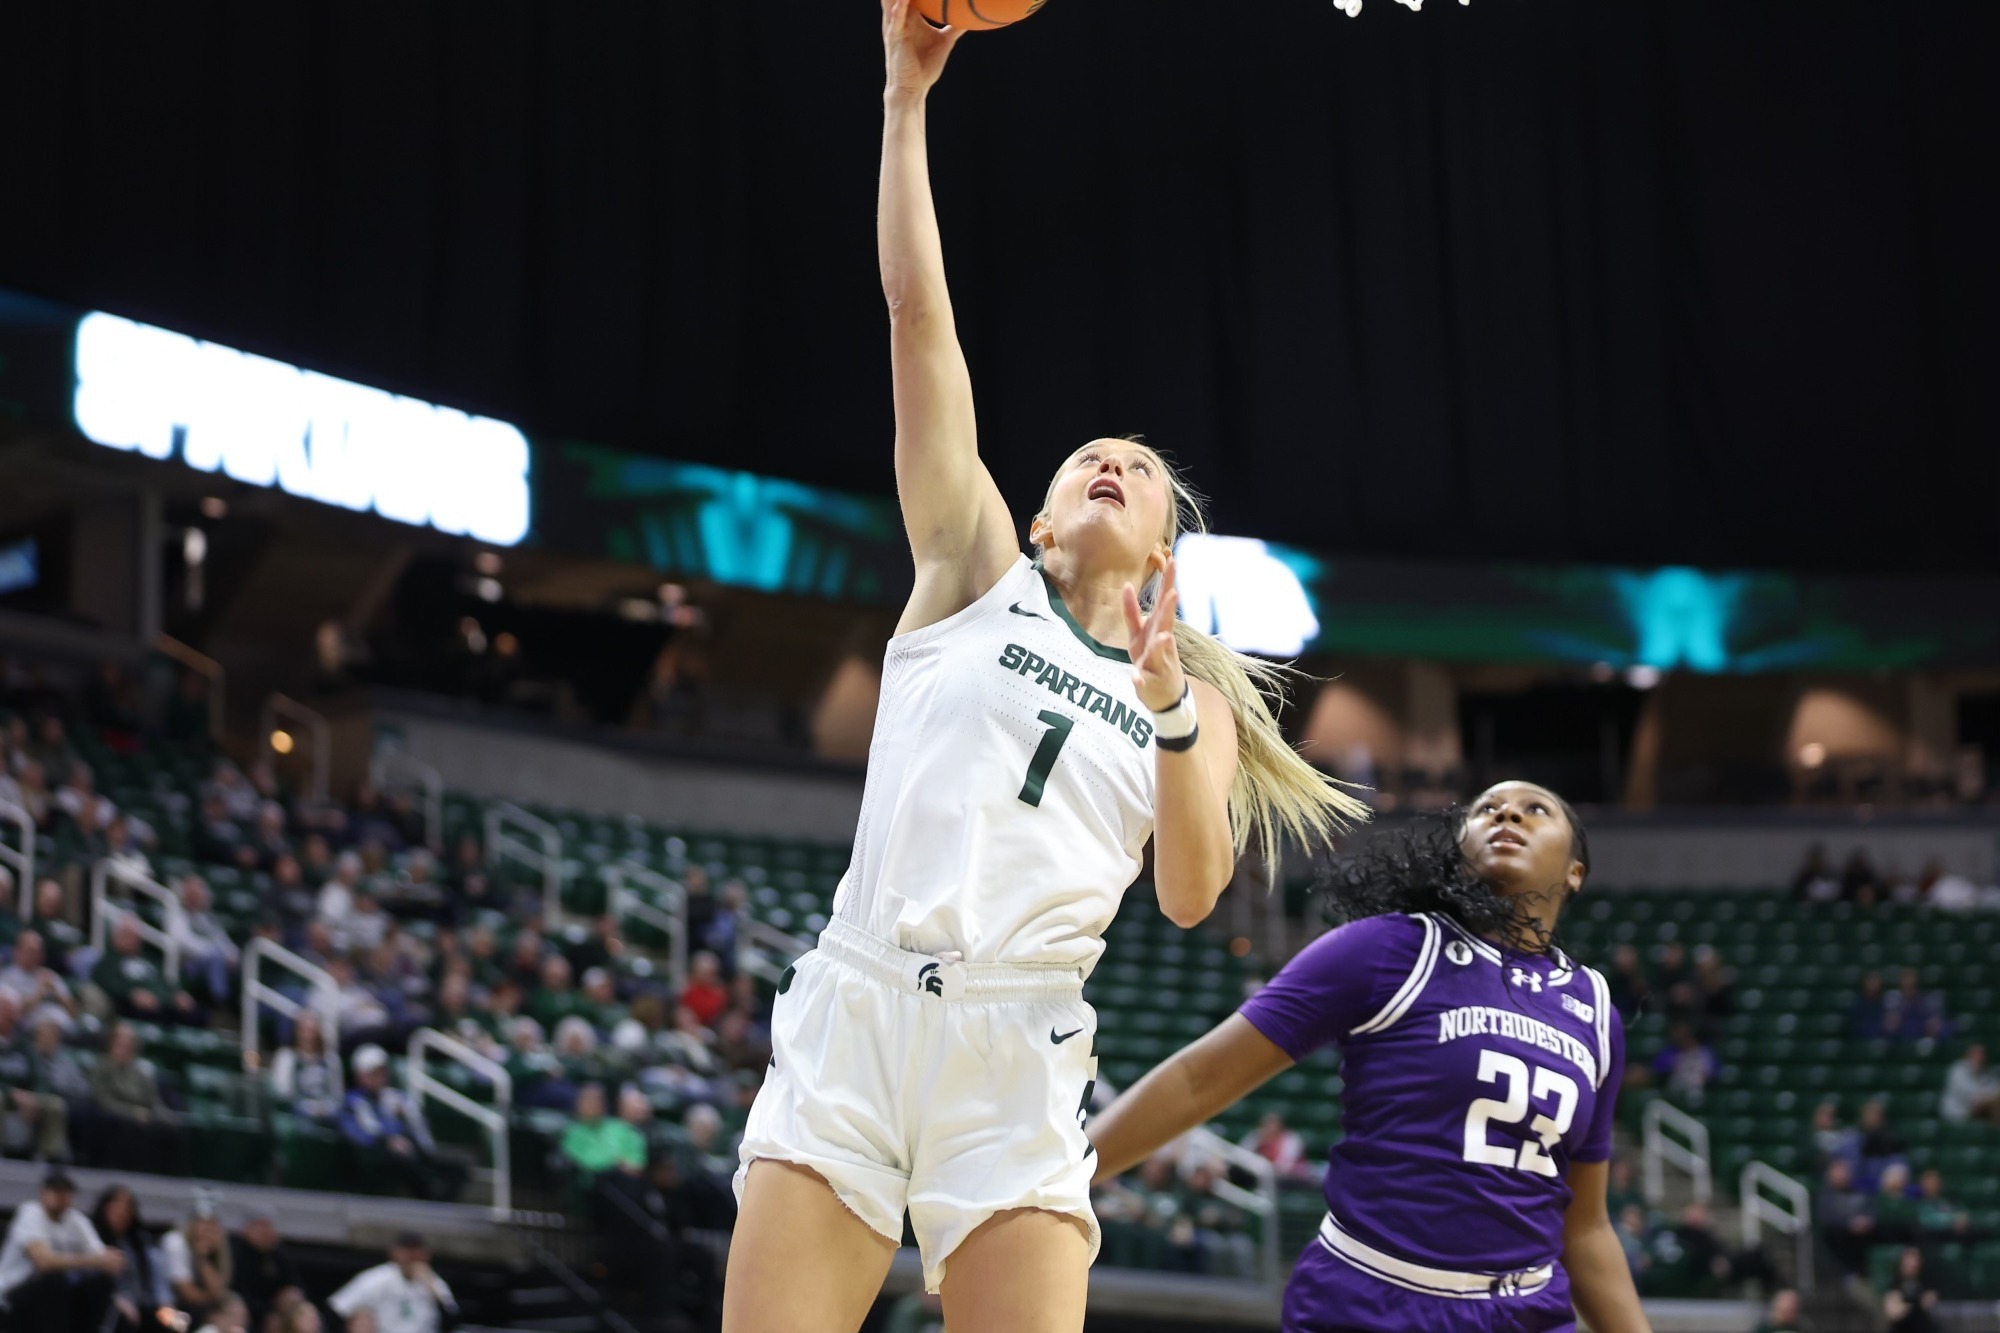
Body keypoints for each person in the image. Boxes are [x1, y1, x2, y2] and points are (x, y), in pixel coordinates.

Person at [722, 10, 1368, 1332]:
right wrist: (904, 100)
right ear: (1040, 516)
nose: (1112, 461)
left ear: (1163, 551)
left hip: (1016, 1053)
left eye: (1138, 469)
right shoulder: (969, 573)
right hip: (861, 1005)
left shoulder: (1191, 709)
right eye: (1086, 460)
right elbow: (918, 319)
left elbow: (1190, 898)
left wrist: (1175, 708)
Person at [1086, 784, 1649, 1333]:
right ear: (1460, 851)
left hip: (1525, 1311)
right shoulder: (1390, 949)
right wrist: (1066, 1178)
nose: (1508, 817)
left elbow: (1586, 1227)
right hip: (1372, 1299)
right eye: (1488, 810)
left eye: (1536, 810)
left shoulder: (1596, 1010)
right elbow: (1199, 1079)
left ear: (1575, 871)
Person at [0, 1168, 123, 1333]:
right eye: (56, 1191)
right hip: (14, 1293)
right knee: (54, 1280)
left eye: (65, 1192)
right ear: (43, 1193)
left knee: (99, 1283)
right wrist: (91, 1260)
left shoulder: (77, 1220)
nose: (60, 1197)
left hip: (60, 1297)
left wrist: (105, 1260)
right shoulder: (30, 1213)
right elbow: (43, 1263)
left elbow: (110, 1261)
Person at [337, 1044, 464, 1202]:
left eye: (382, 1072)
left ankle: (439, 1205)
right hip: (371, 1155)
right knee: (402, 1158)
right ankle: (428, 1199)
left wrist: (405, 1118)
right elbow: (358, 1135)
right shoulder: (352, 1102)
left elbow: (420, 1132)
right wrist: (388, 1138)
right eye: (373, 1073)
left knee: (459, 1165)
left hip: (406, 1149)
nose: (380, 1077)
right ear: (360, 1076)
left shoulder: (395, 1097)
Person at [86, 1022, 186, 1172]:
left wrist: (165, 1115)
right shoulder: (101, 1068)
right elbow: (104, 1101)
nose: (124, 1049)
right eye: (120, 1044)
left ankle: (172, 1174)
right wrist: (132, 1112)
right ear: (111, 1044)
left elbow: (153, 1100)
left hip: (143, 1114)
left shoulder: (138, 1071)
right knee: (129, 1125)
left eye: (127, 1045)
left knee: (172, 1126)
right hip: (114, 1114)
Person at [328, 1231, 457, 1333]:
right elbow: (335, 1311)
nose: (413, 1255)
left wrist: (433, 1289)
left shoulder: (434, 1282)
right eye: (408, 1250)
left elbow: (451, 1322)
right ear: (395, 1252)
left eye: (417, 1250)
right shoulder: (377, 1278)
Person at [93, 1184, 173, 1333]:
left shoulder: (140, 1244)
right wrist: (117, 1299)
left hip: (143, 1305)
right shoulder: (91, 1238)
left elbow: (157, 1289)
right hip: (109, 1305)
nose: (122, 1212)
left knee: (174, 1323)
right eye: (116, 1206)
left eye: (127, 1208)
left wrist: (168, 1310)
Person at [160, 1197, 233, 1327]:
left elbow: (218, 1292)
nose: (208, 1230)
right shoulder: (175, 1242)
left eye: (212, 1225)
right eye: (204, 1224)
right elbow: (188, 1294)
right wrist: (217, 1303)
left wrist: (202, 1259)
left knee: (236, 1309)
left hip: (196, 1307)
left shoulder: (212, 1250)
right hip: (165, 1307)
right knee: (215, 1319)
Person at [229, 1209, 302, 1333]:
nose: (266, 1232)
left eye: (268, 1226)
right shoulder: (237, 1254)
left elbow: (294, 1285)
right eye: (260, 1226)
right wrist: (266, 1313)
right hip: (249, 1311)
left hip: (275, 1311)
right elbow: (238, 1292)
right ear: (246, 1230)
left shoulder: (278, 1255)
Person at [560, 1082, 647, 1184]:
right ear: (578, 1104)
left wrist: (627, 1166)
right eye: (587, 1101)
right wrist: (614, 1163)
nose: (592, 1105)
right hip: (593, 1186)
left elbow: (637, 1163)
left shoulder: (622, 1129)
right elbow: (580, 1164)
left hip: (625, 1182)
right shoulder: (571, 1133)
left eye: (596, 1100)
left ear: (604, 1104)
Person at [1882, 1246, 1940, 1333]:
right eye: (1908, 1262)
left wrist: (1908, 1306)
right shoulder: (1894, 1286)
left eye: (1915, 1262)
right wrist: (1914, 1304)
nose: (1912, 1265)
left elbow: (1930, 1301)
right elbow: (1893, 1313)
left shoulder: (1926, 1284)